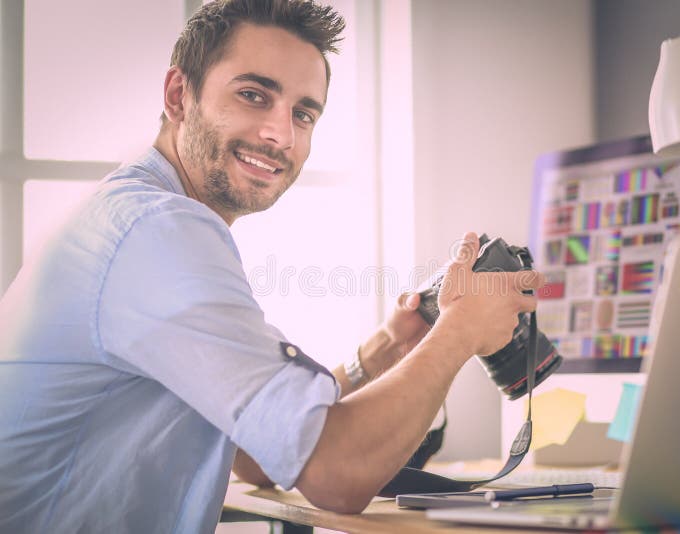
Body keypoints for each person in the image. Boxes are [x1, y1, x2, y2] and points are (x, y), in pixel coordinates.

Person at [0, 0, 542, 531]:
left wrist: (381, 352)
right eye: (254, 95)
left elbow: (259, 455)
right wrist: (460, 330)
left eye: (303, 113)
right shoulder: (156, 231)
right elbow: (335, 474)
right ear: (177, 95)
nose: (280, 134)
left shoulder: (133, 215)